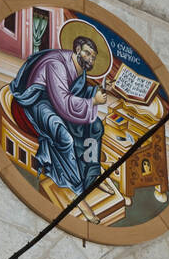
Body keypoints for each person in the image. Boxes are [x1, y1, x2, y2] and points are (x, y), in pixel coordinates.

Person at [10, 35, 108, 204]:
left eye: (93, 56)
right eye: (87, 53)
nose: (90, 58)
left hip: (59, 102)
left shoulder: (79, 69)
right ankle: (77, 188)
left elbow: (76, 93)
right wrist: (93, 101)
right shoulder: (56, 64)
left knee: (96, 126)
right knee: (64, 137)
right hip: (38, 102)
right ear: (77, 50)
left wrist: (96, 93)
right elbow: (63, 102)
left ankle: (91, 174)